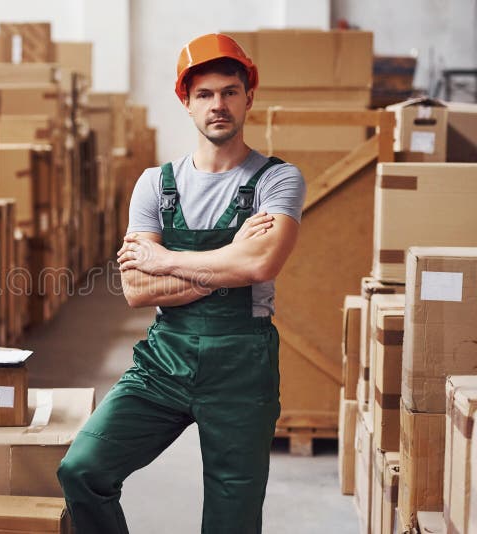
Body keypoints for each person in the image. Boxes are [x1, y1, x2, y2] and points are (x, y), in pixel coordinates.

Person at [57, 33, 306, 533]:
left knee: (231, 517)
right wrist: (229, 258)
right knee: (82, 469)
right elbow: (136, 289)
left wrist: (164, 257)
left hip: (242, 365)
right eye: (205, 94)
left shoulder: (279, 180)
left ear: (249, 97)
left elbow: (260, 267)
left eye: (230, 92)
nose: (219, 105)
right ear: (186, 102)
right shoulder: (155, 183)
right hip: (163, 362)